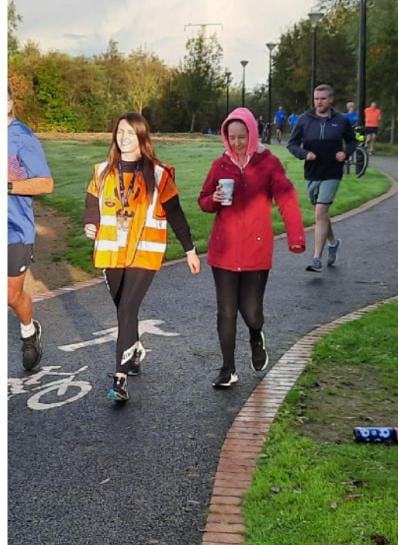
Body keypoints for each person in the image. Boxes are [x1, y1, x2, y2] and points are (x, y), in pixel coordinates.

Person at [84, 112, 202, 404]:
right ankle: (135, 349)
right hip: (112, 251)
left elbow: (175, 212)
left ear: (141, 138)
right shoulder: (101, 171)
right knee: (124, 310)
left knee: (126, 310)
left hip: (144, 253)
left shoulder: (159, 174)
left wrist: (189, 249)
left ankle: (120, 379)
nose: (123, 138)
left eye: (130, 133)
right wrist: (90, 221)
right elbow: (91, 203)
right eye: (120, 132)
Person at [197, 108, 307, 391]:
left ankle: (256, 336)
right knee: (226, 311)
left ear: (252, 134)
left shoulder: (268, 164)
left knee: (252, 312)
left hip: (256, 254)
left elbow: (287, 198)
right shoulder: (219, 166)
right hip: (223, 251)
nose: (236, 143)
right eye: (231, 137)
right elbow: (203, 200)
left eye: (241, 137)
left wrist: (296, 236)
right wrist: (215, 200)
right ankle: (227, 369)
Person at [8, 81, 53, 373]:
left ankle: (29, 330)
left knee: (10, 295)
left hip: (14, 229)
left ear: (10, 102)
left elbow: (46, 184)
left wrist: (8, 184)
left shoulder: (22, 137)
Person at [286, 84, 356, 274]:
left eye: (323, 98)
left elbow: (352, 141)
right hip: (312, 172)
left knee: (320, 213)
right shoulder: (304, 120)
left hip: (332, 171)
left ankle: (316, 258)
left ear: (331, 99)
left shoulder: (341, 120)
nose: (319, 102)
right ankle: (333, 243)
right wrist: (304, 154)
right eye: (316, 99)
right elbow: (291, 144)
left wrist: (345, 153)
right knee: (321, 215)